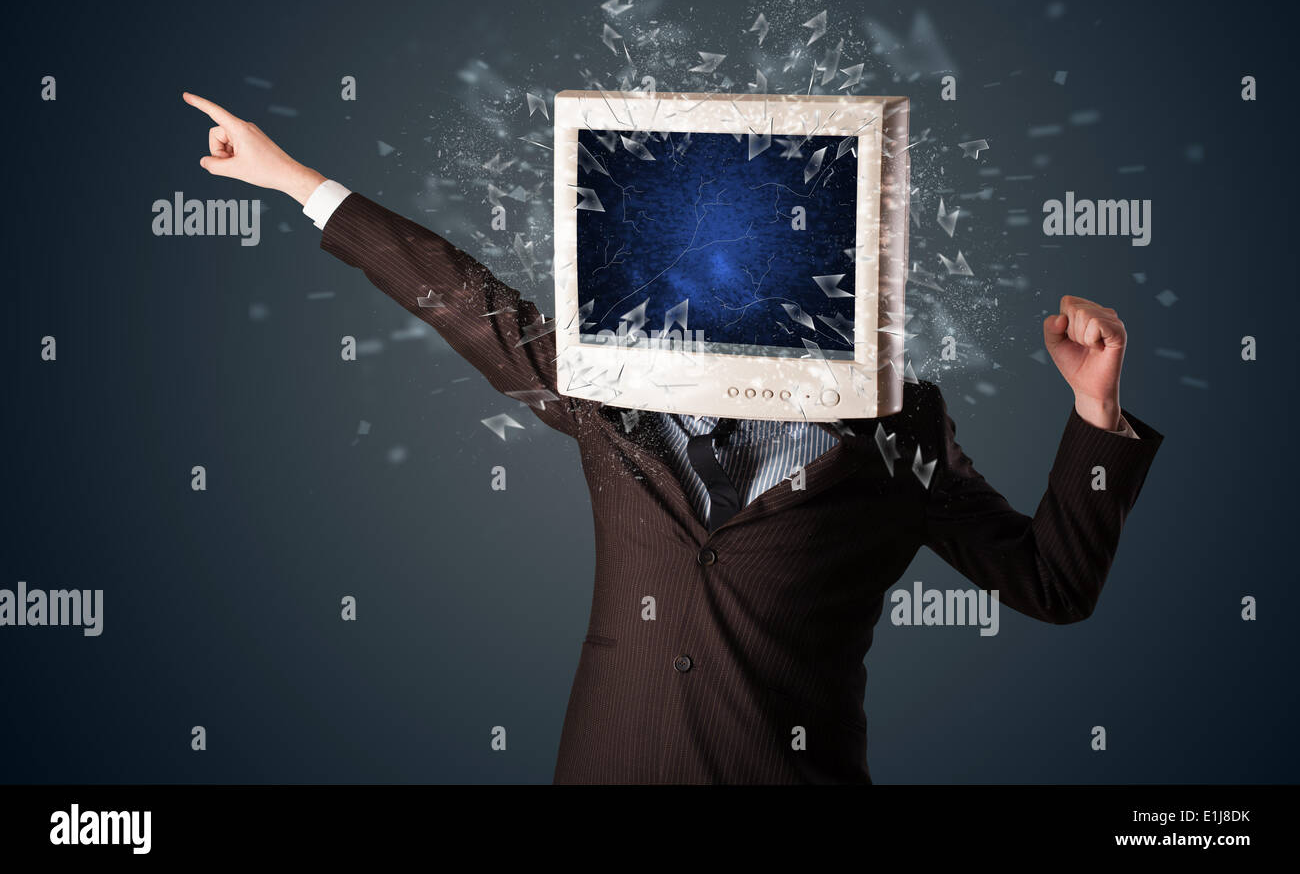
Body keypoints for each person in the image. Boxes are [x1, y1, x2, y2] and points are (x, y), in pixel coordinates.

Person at [183, 91, 1165, 784]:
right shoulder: (612, 394)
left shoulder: (893, 432)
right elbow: (460, 297)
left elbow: (1051, 584)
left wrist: (1094, 409)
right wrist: (292, 179)